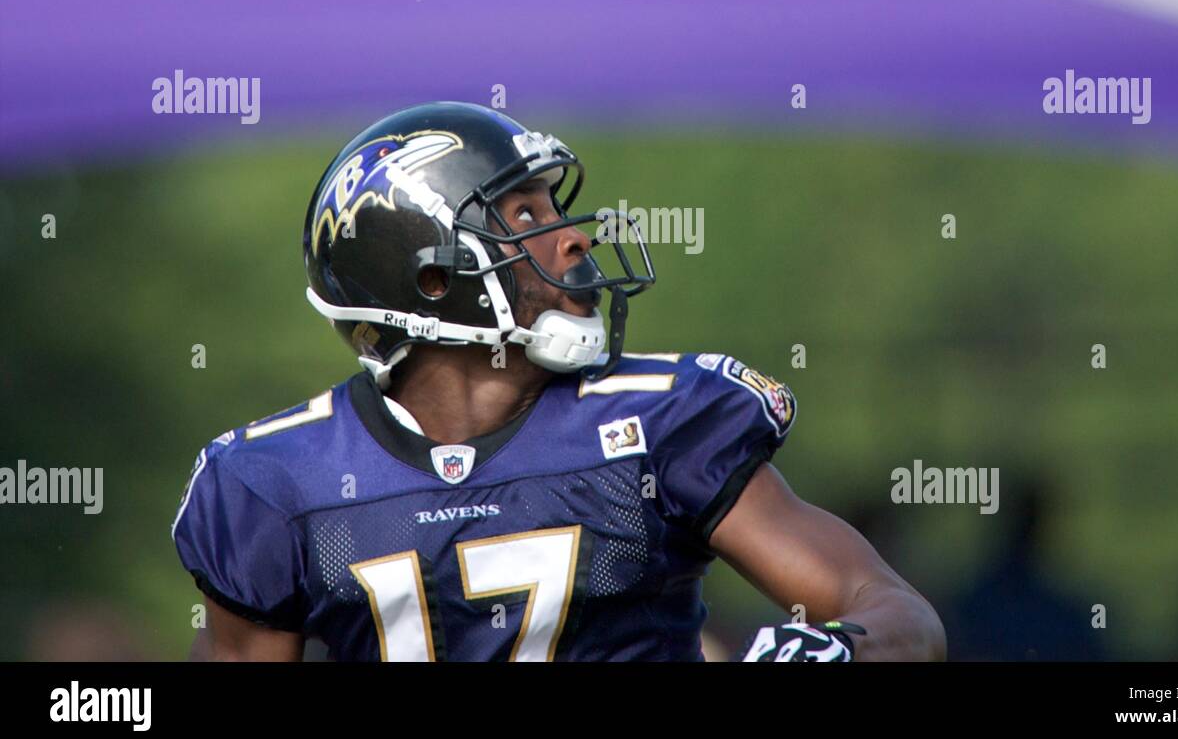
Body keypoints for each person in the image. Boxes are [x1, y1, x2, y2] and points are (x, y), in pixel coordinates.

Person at [172, 102, 945, 661]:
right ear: (435, 277)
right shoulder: (274, 484)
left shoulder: (657, 426)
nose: (572, 234)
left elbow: (896, 611)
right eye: (523, 213)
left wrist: (840, 650)